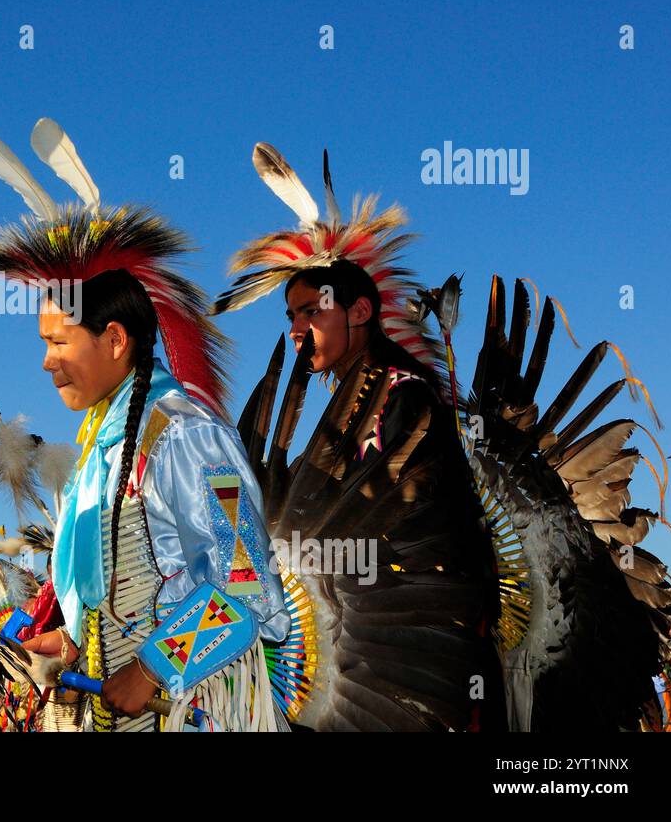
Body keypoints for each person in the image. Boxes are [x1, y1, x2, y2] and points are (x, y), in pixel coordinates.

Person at [0, 120, 289, 731]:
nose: (46, 360)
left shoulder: (186, 436)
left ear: (114, 340)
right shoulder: (101, 457)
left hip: (194, 711)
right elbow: (116, 597)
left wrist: (157, 666)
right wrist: (73, 645)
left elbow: (246, 585)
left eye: (58, 341)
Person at [212, 143, 505, 731]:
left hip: (420, 656)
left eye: (309, 312)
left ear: (362, 311)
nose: (296, 330)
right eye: (289, 317)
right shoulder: (357, 408)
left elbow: (424, 535)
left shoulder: (405, 398)